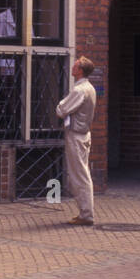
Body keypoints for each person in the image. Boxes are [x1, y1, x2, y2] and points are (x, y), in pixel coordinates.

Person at [57, 56, 98, 226]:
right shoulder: (89, 88)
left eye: (75, 66)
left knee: (79, 175)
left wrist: (60, 105)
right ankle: (85, 213)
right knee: (82, 173)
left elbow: (61, 110)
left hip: (76, 135)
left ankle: (86, 214)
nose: (72, 68)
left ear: (80, 70)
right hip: (84, 134)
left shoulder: (79, 90)